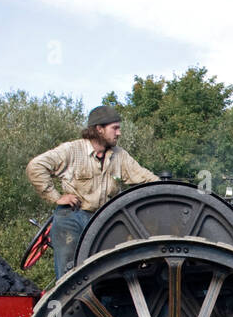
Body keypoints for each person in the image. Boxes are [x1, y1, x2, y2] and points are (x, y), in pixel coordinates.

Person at [26, 105, 159, 277]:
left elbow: (145, 177)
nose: (118, 133)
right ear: (99, 129)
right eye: (115, 128)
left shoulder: (120, 156)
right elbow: (36, 166)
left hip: (102, 219)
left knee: (106, 271)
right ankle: (70, 301)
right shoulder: (72, 150)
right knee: (70, 273)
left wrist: (169, 187)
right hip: (73, 217)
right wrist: (56, 197)